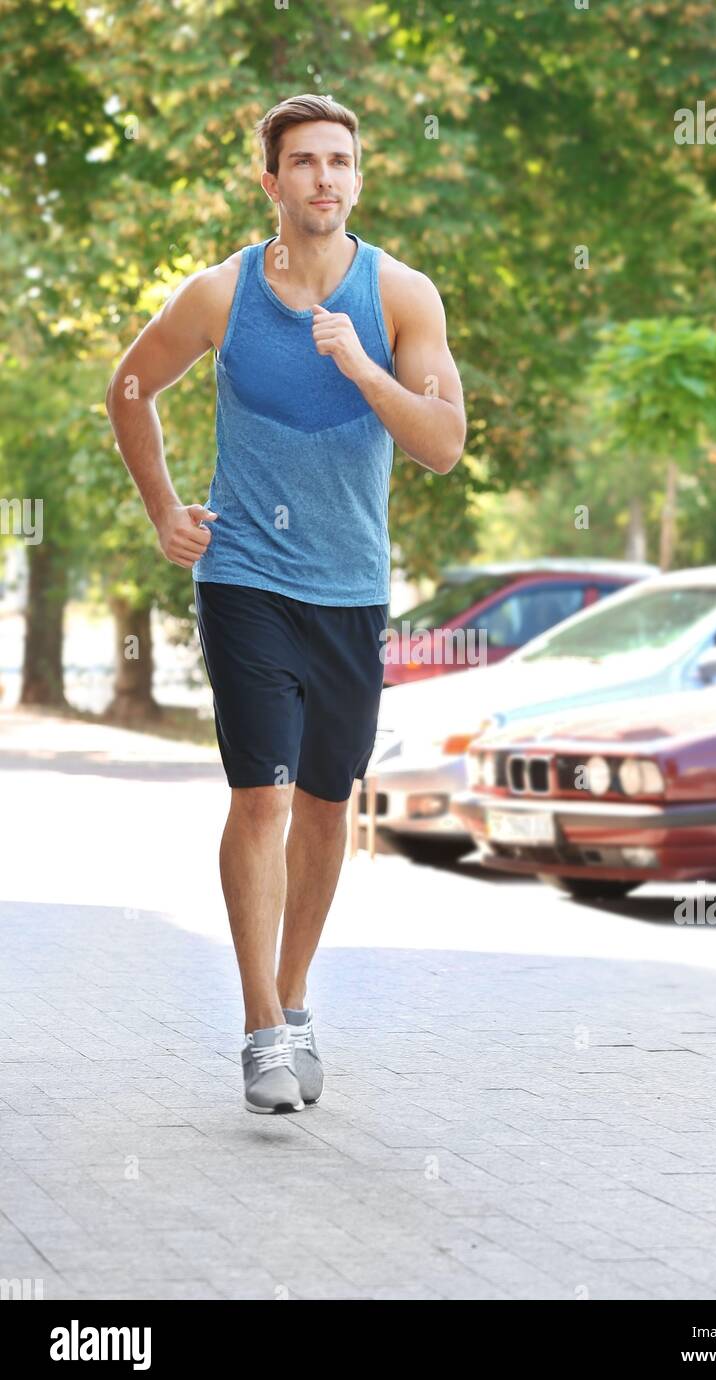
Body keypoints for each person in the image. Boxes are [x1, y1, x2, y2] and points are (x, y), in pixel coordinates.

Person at [105, 93, 465, 1115]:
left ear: (359, 176)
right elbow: (131, 387)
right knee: (260, 796)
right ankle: (262, 1027)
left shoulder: (401, 296)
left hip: (349, 584)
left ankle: (295, 996)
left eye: (339, 161)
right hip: (246, 575)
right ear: (269, 181)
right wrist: (165, 508)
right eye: (302, 161)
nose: (323, 178)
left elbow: (441, 446)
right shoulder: (220, 294)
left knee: (324, 806)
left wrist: (358, 363)